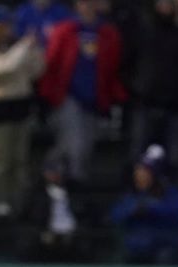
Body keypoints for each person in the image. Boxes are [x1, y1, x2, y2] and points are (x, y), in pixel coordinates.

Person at [36, 0, 127, 181]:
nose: (88, 7)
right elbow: (52, 62)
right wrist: (46, 94)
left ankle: (51, 172)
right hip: (69, 96)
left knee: (83, 145)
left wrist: (116, 96)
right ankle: (75, 185)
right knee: (76, 144)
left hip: (94, 97)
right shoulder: (65, 30)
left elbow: (113, 67)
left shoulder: (108, 33)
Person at [0, 15, 46, 217]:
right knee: (2, 160)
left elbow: (36, 71)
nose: (7, 29)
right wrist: (22, 48)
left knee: (20, 160)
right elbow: (3, 68)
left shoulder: (15, 47)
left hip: (20, 107)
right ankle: (1, 202)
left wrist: (34, 50)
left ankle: (19, 202)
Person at [127, 0, 178, 171]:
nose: (165, 8)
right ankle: (132, 195)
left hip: (176, 107)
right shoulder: (142, 35)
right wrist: (137, 88)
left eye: (169, 4)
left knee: (175, 159)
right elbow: (127, 64)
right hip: (144, 103)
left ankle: (172, 195)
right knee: (137, 156)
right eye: (162, 4)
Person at [109, 145, 178, 263]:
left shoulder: (169, 192)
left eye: (144, 172)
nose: (140, 175)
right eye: (138, 171)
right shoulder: (132, 195)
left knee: (165, 256)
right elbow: (116, 215)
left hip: (164, 245)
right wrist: (133, 210)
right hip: (137, 247)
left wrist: (151, 208)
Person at [18, 151, 83, 261]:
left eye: (58, 170)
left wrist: (75, 231)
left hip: (71, 236)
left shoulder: (76, 190)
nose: (54, 174)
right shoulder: (36, 192)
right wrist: (41, 233)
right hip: (45, 237)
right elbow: (26, 217)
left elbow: (84, 213)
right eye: (50, 170)